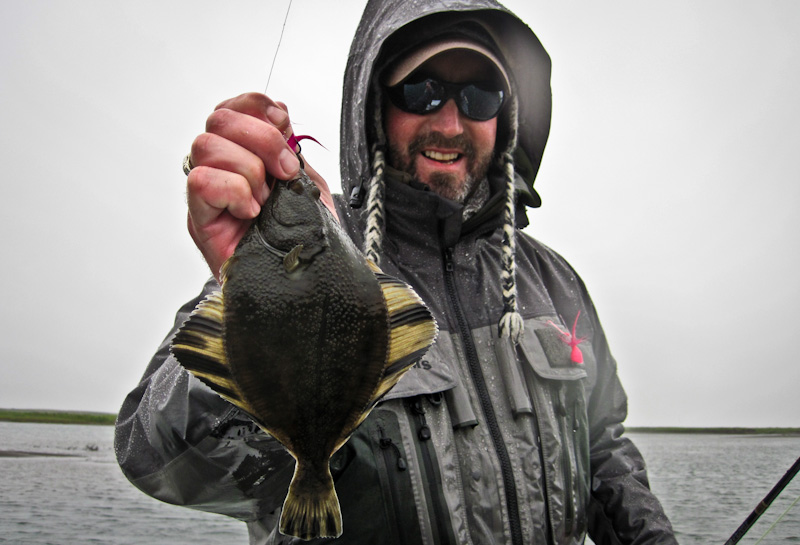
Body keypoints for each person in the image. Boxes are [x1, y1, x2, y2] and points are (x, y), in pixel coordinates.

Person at [115, 0, 678, 543]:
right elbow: (157, 457)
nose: (451, 123)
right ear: (375, 108)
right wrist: (243, 287)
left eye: (481, 95)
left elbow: (605, 452)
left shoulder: (553, 282)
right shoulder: (310, 248)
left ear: (505, 118)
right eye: (421, 90)